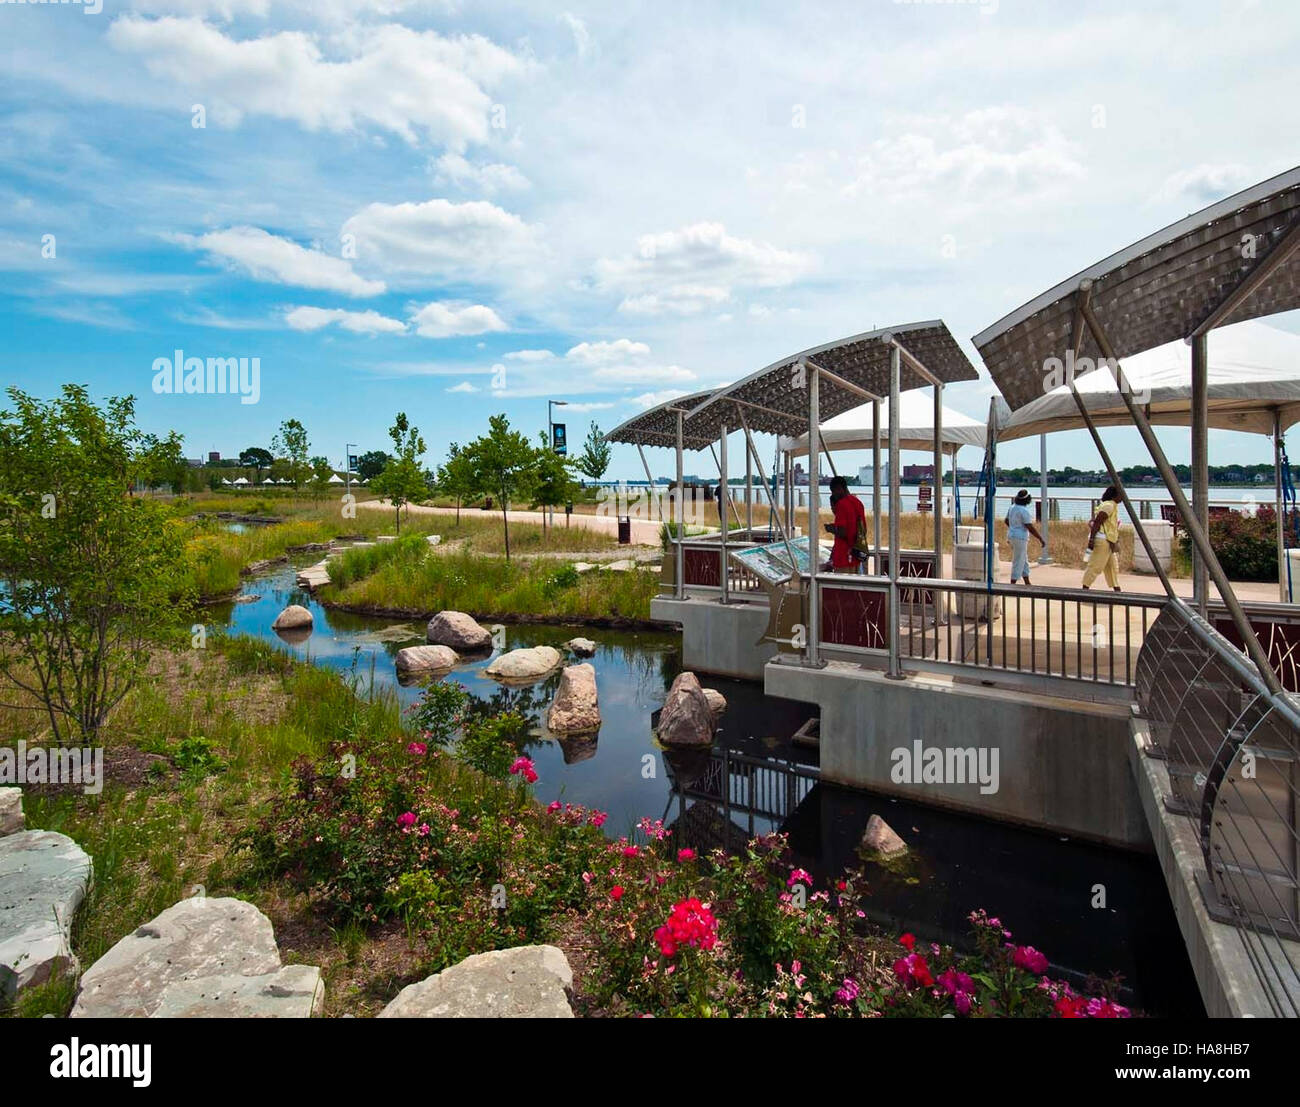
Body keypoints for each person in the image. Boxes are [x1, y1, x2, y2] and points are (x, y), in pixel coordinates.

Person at [823, 475, 866, 573]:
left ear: (839, 489)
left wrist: (831, 528)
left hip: (843, 557)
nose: (833, 495)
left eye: (833, 491)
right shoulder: (858, 502)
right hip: (856, 554)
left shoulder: (841, 505)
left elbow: (842, 532)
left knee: (842, 582)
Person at [1083, 485, 1123, 591]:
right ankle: (1085, 588)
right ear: (1114, 496)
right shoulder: (1108, 506)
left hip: (1109, 540)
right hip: (1102, 540)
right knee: (1096, 565)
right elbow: (1097, 523)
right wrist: (1092, 540)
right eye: (1120, 494)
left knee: (1112, 566)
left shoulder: (1112, 505)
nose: (1122, 497)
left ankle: (1117, 589)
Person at [1005, 489, 1045, 585]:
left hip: (1011, 535)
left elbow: (1006, 520)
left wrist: (1013, 528)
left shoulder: (1012, 507)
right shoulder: (1024, 510)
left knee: (1024, 559)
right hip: (1020, 538)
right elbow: (1029, 527)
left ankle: (1027, 582)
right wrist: (1040, 538)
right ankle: (1012, 583)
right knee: (1018, 560)